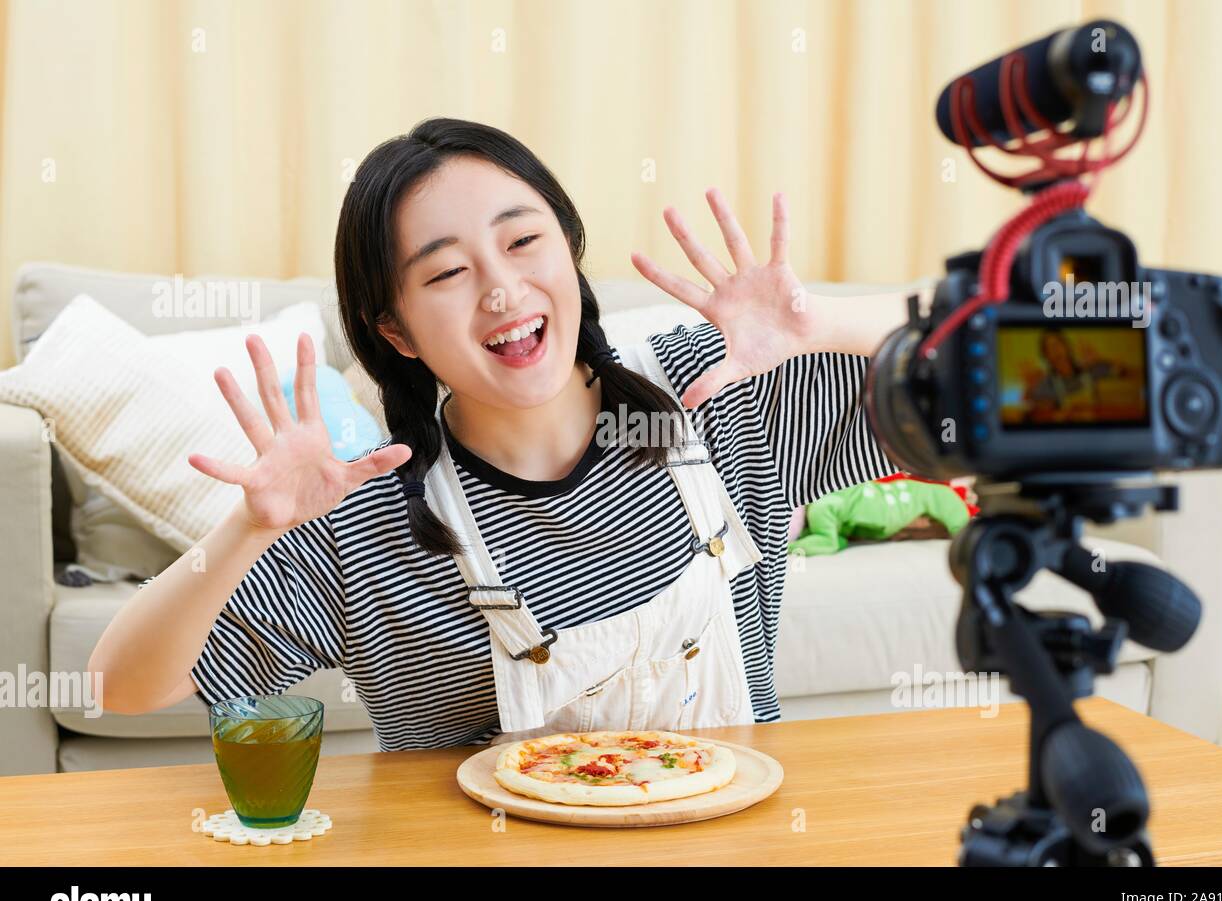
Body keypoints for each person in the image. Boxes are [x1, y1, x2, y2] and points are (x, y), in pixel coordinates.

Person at [89, 117, 909, 750]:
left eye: (523, 241)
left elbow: (1023, 373)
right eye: (447, 272)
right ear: (397, 333)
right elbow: (120, 686)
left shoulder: (718, 392)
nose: (501, 289)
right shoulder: (366, 520)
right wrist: (244, 530)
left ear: (569, 252)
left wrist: (822, 322)